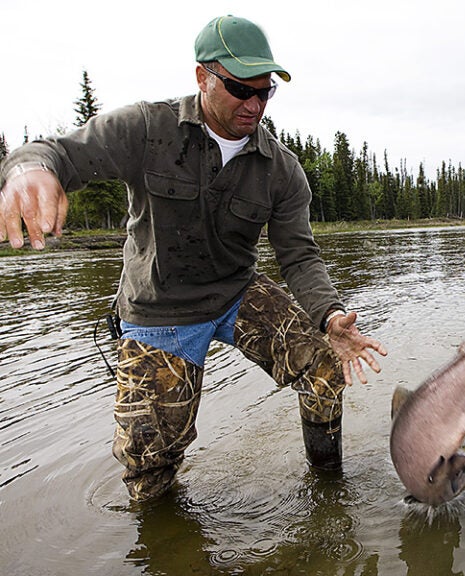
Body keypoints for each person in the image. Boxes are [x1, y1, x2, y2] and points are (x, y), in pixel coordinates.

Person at [0, 15, 387, 501]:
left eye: (265, 92)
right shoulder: (146, 129)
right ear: (203, 76)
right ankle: (164, 539)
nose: (254, 104)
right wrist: (28, 172)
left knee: (324, 365)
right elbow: (55, 152)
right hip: (160, 309)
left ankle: (329, 487)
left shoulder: (282, 170)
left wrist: (330, 314)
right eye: (240, 88)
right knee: (150, 456)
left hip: (236, 292)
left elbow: (300, 256)